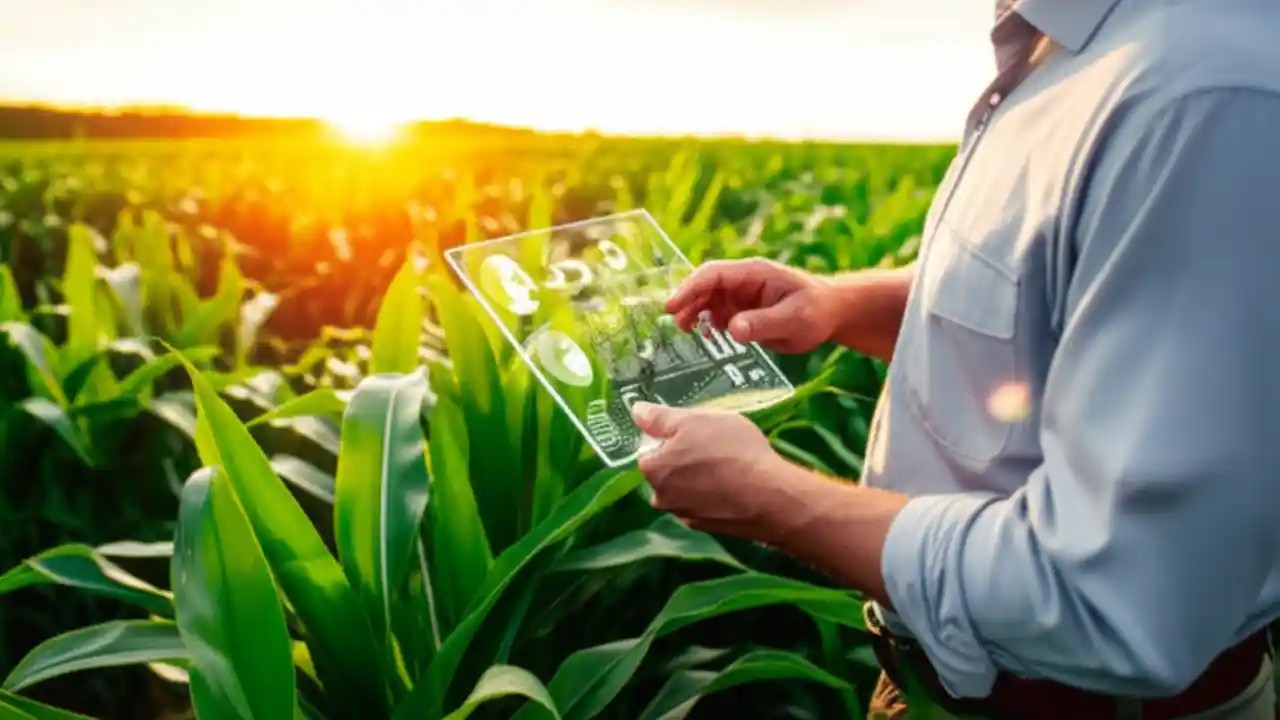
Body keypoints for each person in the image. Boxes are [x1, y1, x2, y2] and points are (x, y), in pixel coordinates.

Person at [627, 0, 1280, 717]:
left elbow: (1118, 601)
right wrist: (838, 304)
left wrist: (768, 497)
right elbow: (1054, 296)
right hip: (933, 687)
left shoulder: (1208, 96)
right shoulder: (1065, 56)